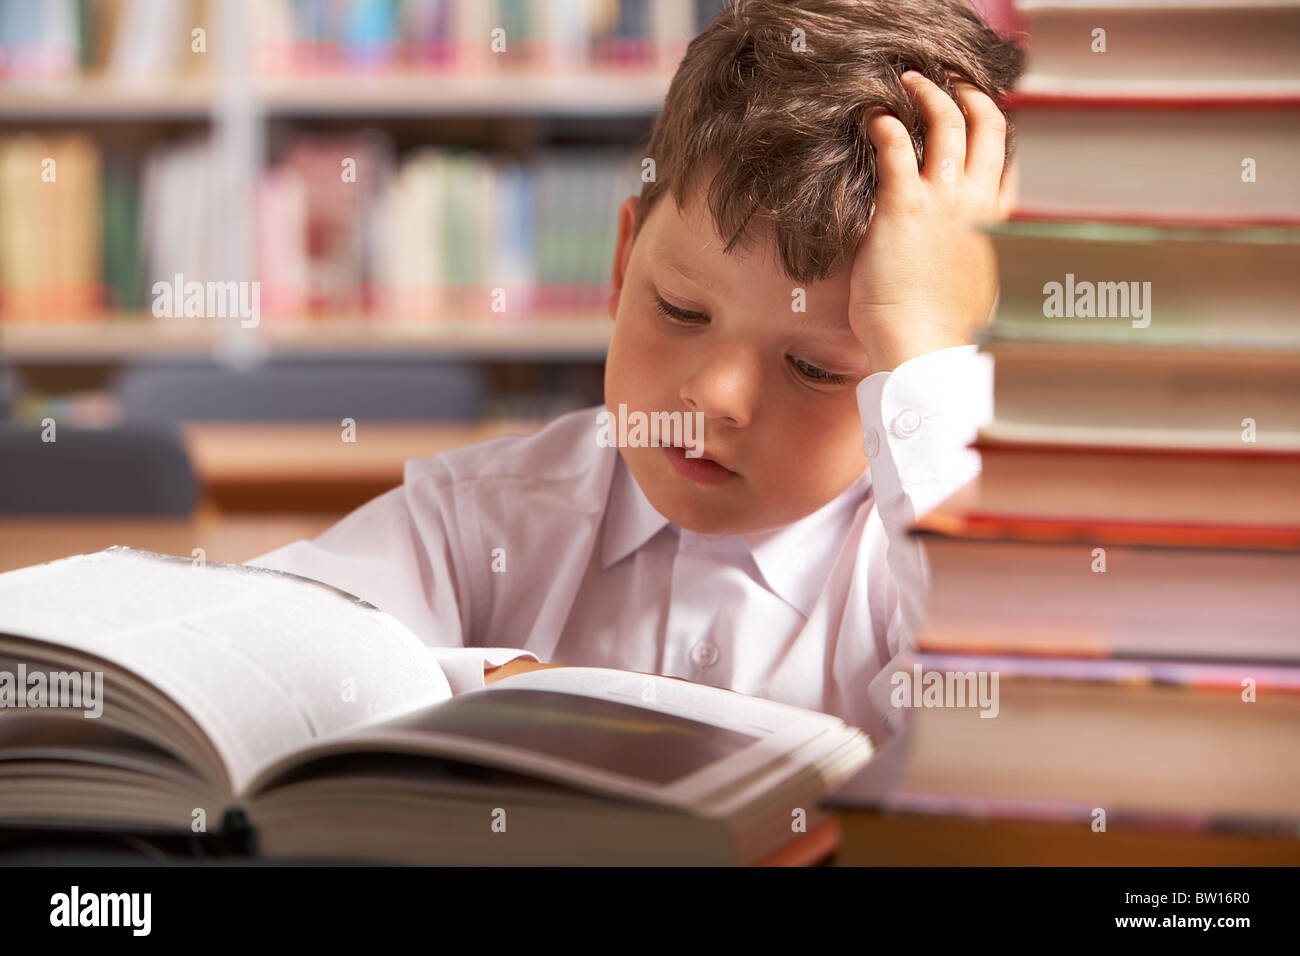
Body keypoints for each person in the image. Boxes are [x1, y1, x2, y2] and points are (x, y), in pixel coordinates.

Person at [248, 0, 1023, 745]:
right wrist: (490, 692)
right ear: (622, 261)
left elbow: (1007, 743)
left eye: (815, 367)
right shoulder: (478, 525)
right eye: (682, 310)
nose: (714, 396)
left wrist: (927, 352)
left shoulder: (911, 566)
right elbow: (228, 649)